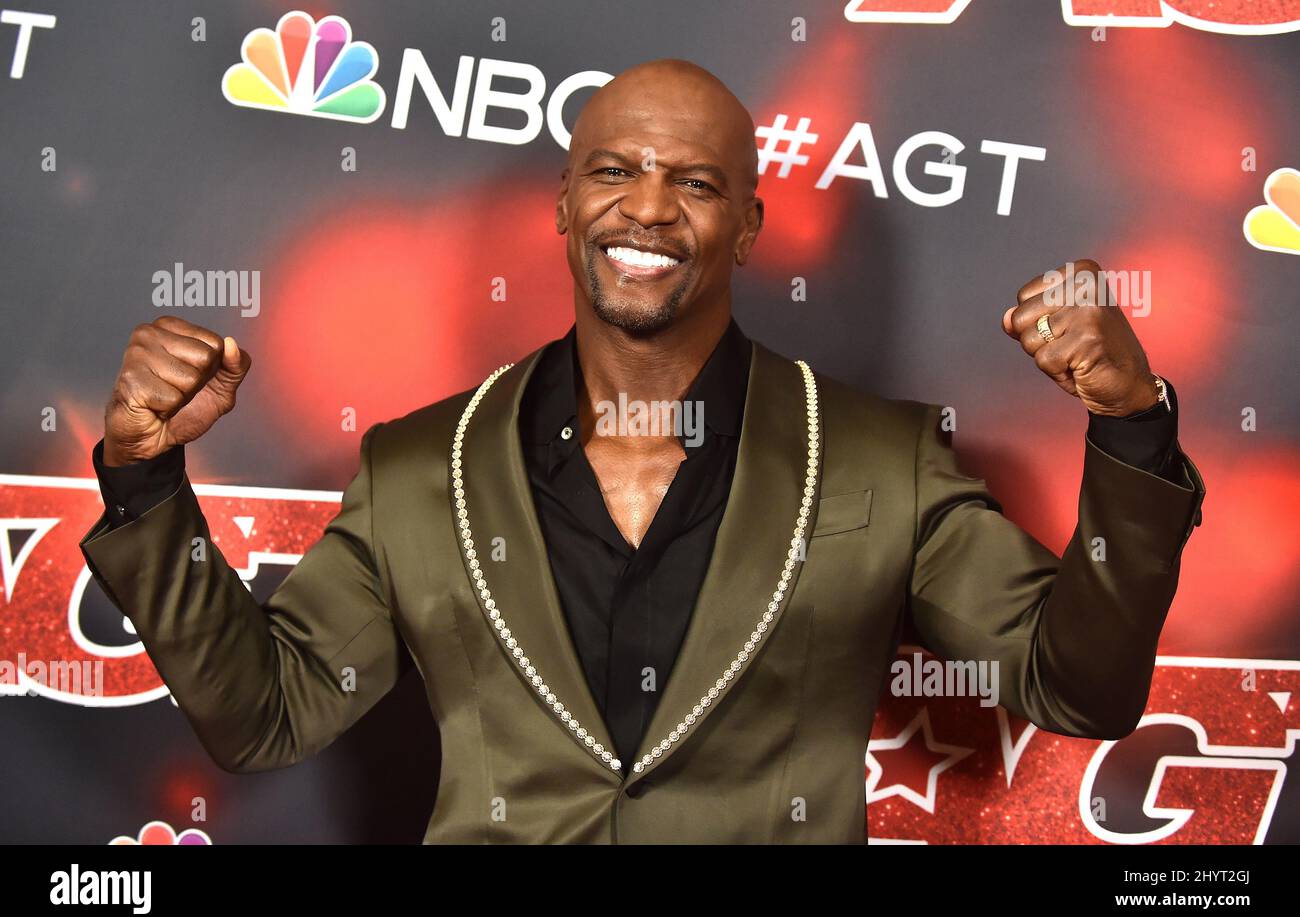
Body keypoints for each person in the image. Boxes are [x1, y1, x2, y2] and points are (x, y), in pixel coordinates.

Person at [80, 59, 1205, 844]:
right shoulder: (422, 469)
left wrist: (1130, 424)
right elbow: (267, 714)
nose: (649, 208)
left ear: (751, 225)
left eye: (696, 181)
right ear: (564, 208)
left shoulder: (876, 460)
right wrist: (145, 479)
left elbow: (1078, 687)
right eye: (614, 172)